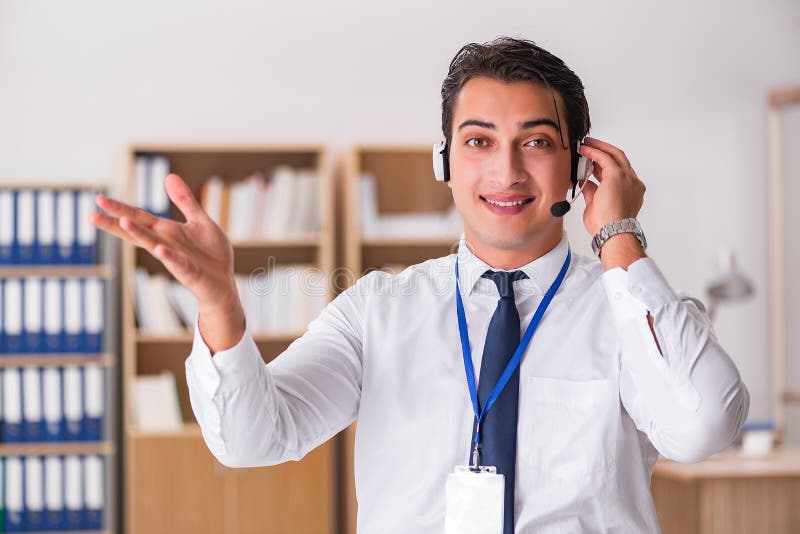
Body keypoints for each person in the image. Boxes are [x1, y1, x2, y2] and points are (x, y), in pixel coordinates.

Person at [91, 37, 749, 533]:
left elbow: (704, 427)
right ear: (445, 161)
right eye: (478, 141)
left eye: (537, 142)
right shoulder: (378, 309)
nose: (507, 171)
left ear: (580, 164)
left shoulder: (630, 311)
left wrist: (621, 237)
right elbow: (253, 438)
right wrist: (219, 305)